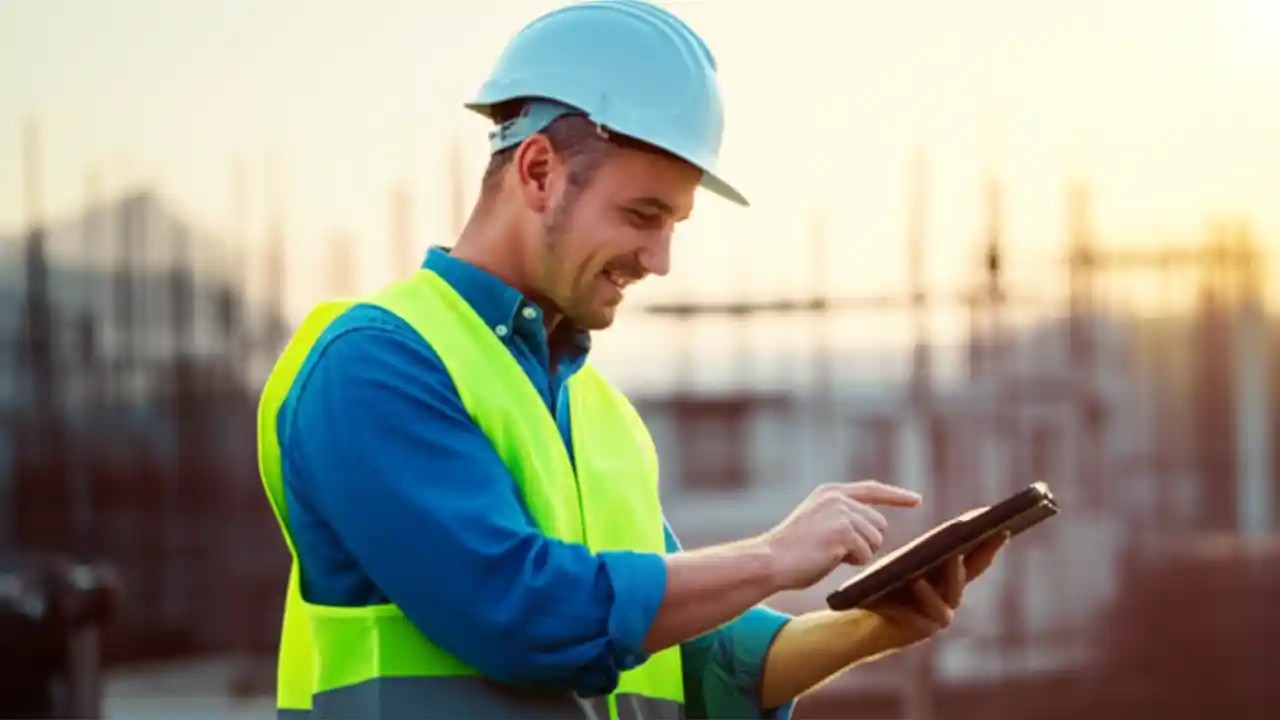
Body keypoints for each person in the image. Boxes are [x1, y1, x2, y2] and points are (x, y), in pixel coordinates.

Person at [255, 1, 1009, 718]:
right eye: (641, 216)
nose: (659, 259)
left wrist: (877, 624)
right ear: (539, 171)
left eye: (675, 223)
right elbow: (522, 614)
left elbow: (706, 663)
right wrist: (774, 555)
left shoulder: (599, 415)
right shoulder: (373, 366)